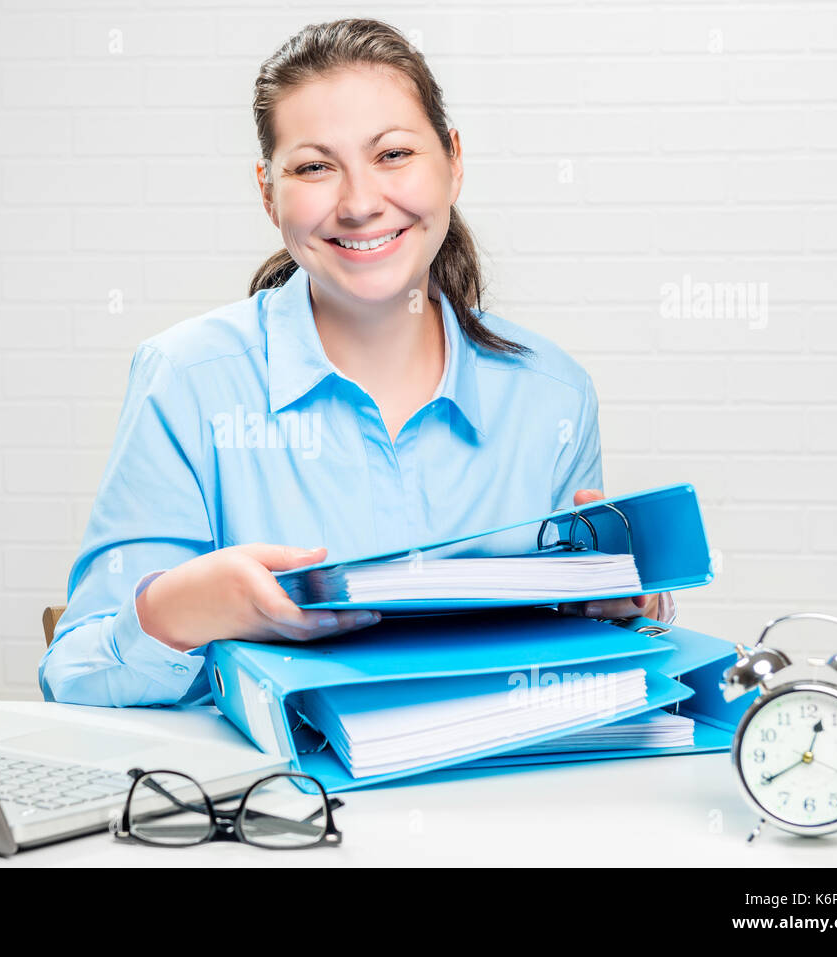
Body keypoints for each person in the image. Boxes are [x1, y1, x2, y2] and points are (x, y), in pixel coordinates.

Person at [39, 18, 674, 708]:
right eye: (315, 167)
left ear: (453, 160)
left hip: (493, 797)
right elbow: (76, 676)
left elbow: (575, 658)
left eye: (394, 154)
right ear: (267, 192)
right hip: (278, 806)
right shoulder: (186, 381)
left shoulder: (554, 396)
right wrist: (183, 609)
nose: (361, 203)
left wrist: (621, 610)